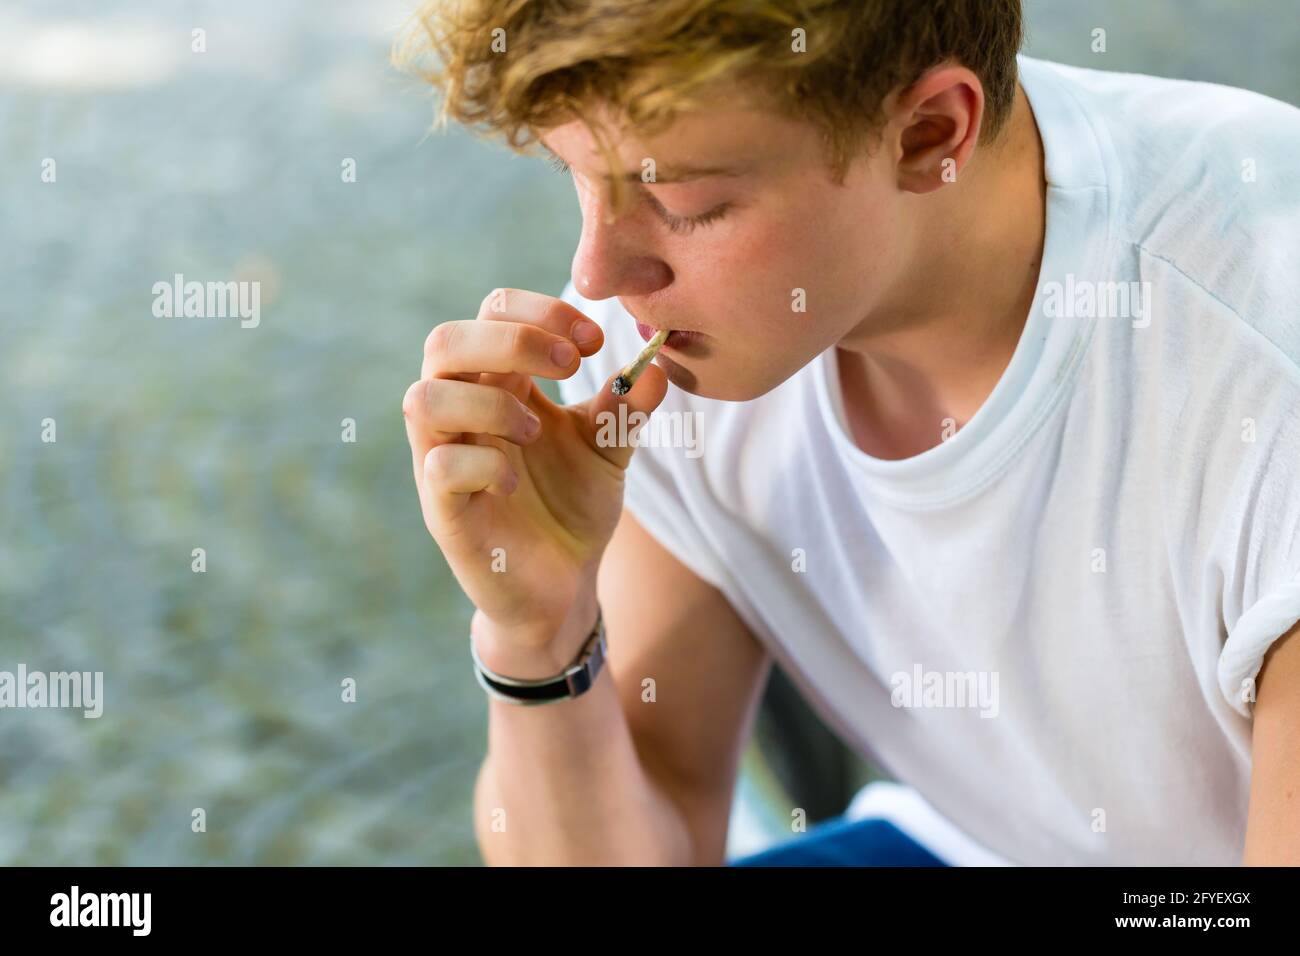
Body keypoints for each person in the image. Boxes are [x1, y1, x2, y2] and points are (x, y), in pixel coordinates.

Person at [396, 0, 1300, 865]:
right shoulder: (656, 354)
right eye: (580, 177)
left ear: (928, 136)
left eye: (688, 202)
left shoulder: (1260, 364)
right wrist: (540, 633)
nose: (598, 274)